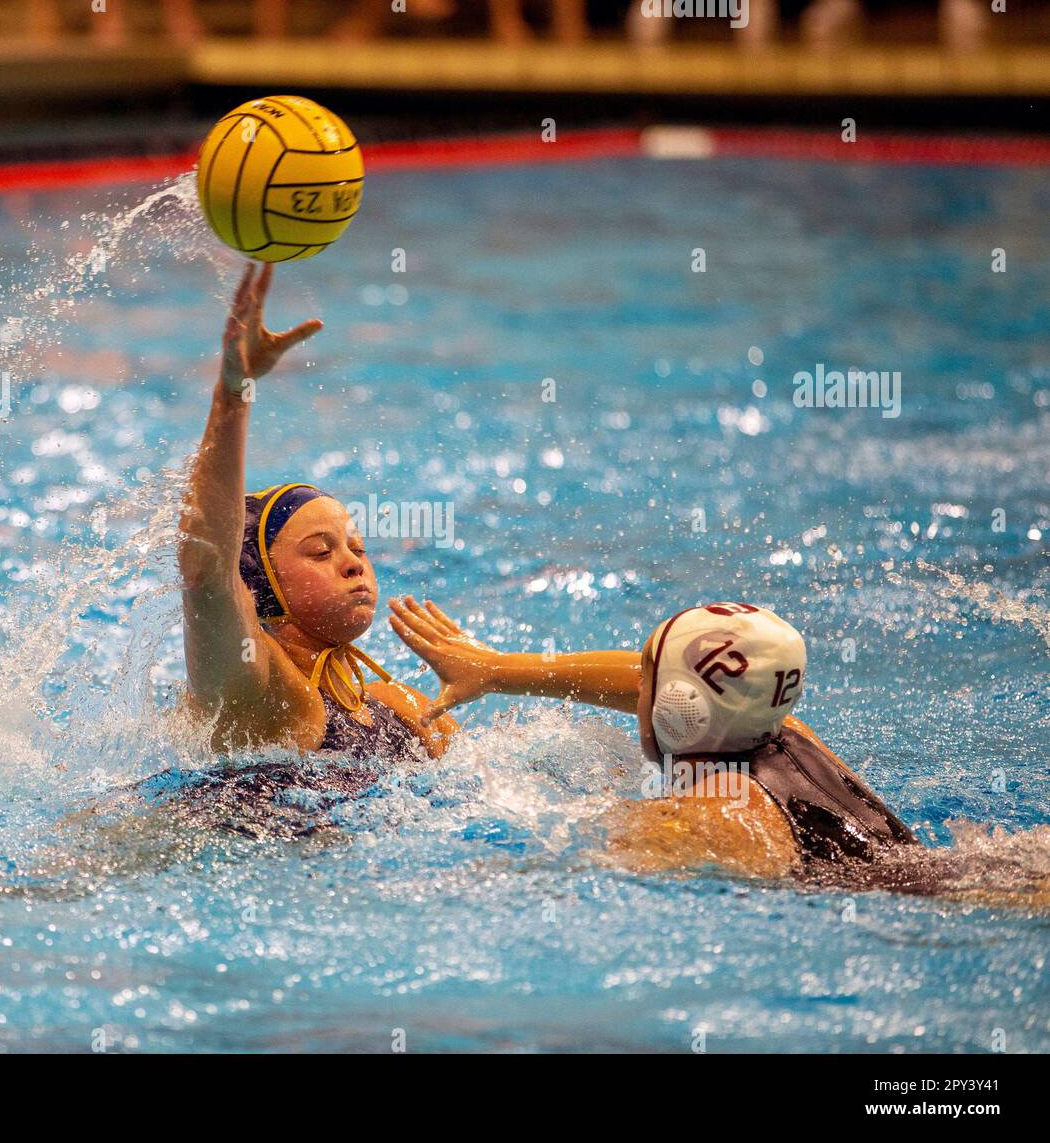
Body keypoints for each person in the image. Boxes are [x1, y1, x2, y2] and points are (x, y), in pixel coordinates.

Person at [387, 596, 922, 881]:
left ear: (678, 710)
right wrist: (497, 669)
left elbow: (555, 872)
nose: (634, 688)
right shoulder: (788, 735)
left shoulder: (708, 815)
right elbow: (700, 687)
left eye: (648, 680)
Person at [176, 262, 458, 761]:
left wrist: (495, 673)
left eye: (358, 548)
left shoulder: (403, 707)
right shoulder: (254, 692)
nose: (353, 563)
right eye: (320, 552)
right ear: (259, 582)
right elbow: (206, 569)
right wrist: (233, 392)